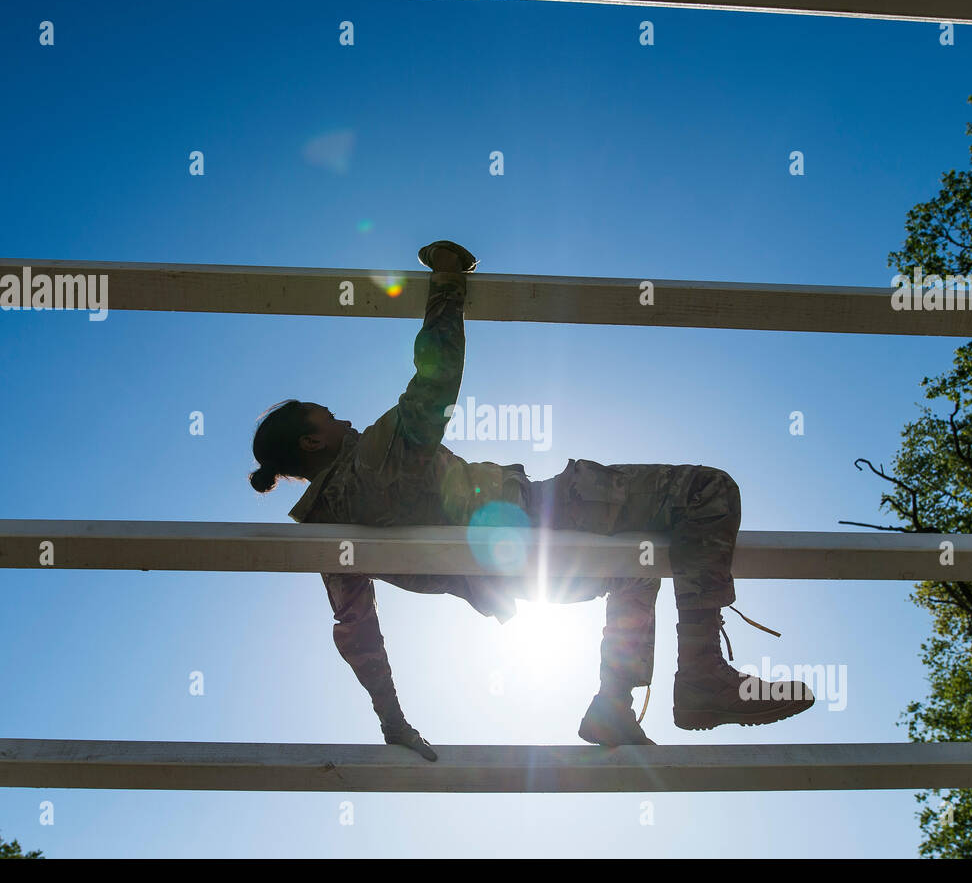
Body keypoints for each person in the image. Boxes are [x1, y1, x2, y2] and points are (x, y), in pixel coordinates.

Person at [248, 241, 814, 758]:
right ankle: (702, 678)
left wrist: (391, 719)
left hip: (520, 576)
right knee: (707, 491)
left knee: (636, 562)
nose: (342, 417)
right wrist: (447, 284)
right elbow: (434, 383)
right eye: (328, 415)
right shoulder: (374, 458)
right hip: (542, 519)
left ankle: (613, 704)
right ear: (311, 440)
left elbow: (357, 631)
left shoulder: (326, 535)